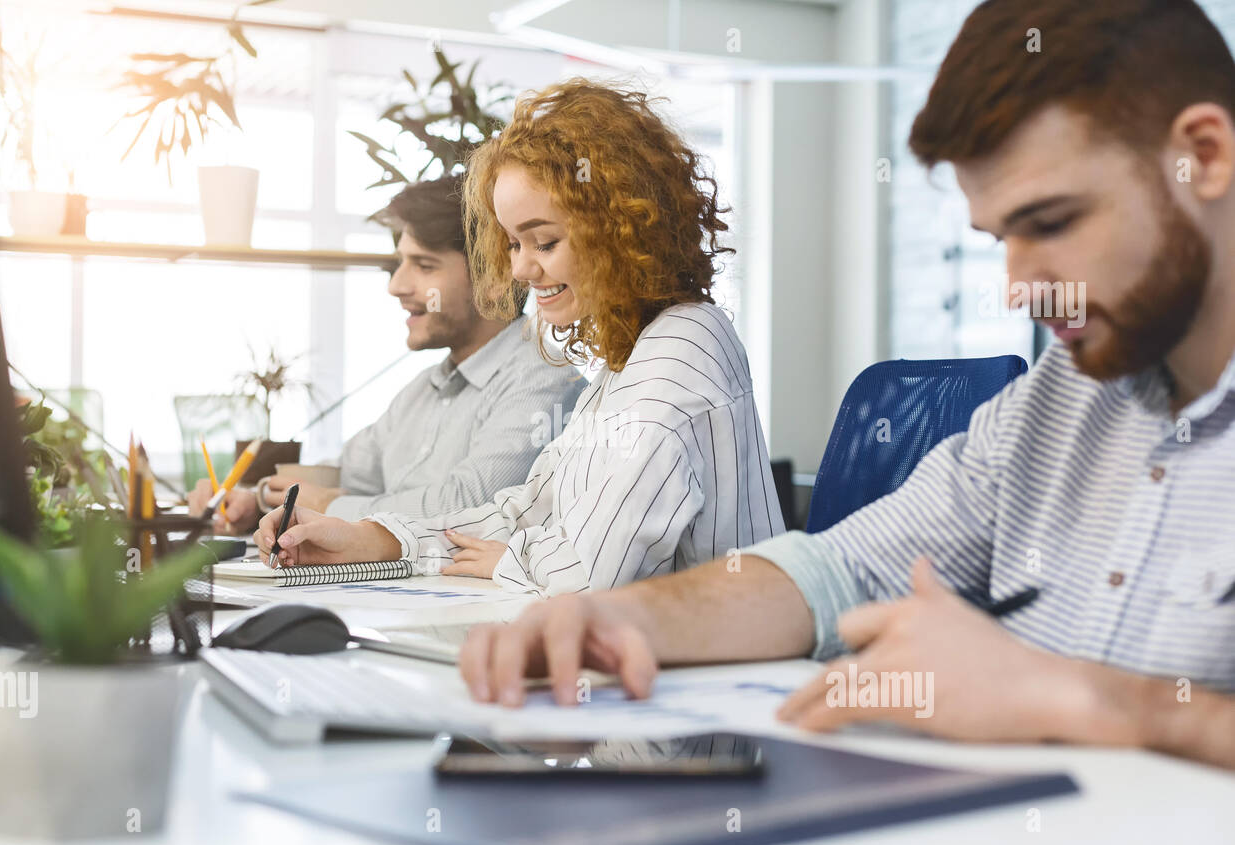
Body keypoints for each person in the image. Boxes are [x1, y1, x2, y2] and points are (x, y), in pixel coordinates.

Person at [450, 0, 1235, 770]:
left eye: (1053, 223)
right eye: (1001, 240)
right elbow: (832, 574)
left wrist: (1086, 699)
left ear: (1203, 153)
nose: (1021, 289)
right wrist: (610, 619)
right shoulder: (1065, 398)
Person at [256, 79, 783, 596]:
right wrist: (370, 538)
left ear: (620, 228)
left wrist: (514, 557)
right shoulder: (629, 359)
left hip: (726, 669)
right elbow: (527, 509)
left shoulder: (685, 346)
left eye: (545, 241)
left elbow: (593, 568)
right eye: (513, 244)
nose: (522, 270)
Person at [187, 174, 585, 530]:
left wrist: (331, 506)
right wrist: (252, 500)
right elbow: (346, 476)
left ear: (496, 278)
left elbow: (471, 508)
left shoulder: (546, 378)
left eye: (424, 266)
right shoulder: (420, 391)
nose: (396, 286)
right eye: (399, 264)